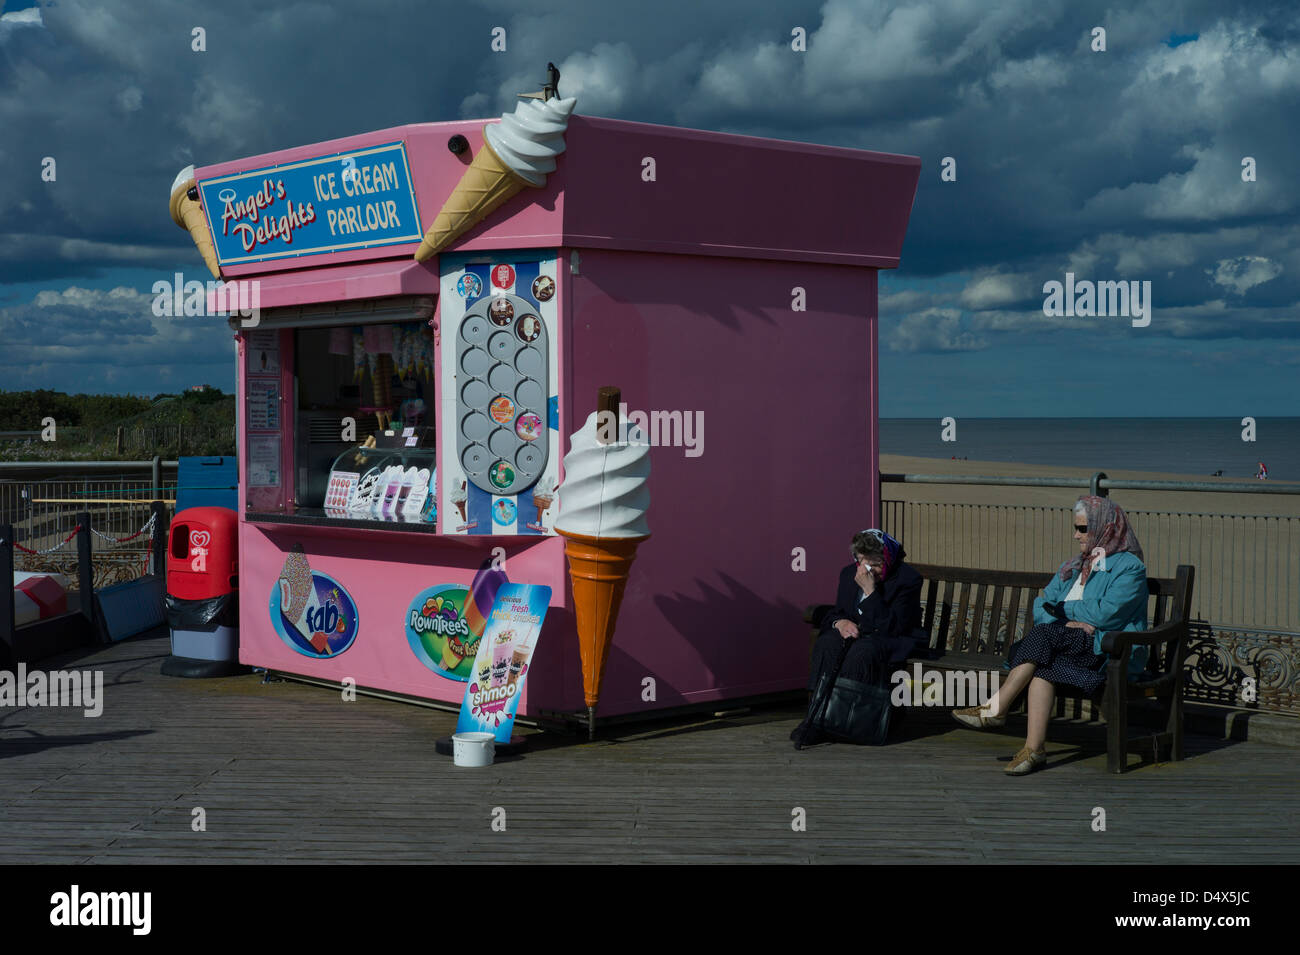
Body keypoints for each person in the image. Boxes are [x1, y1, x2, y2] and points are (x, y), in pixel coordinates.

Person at [952, 496, 1149, 775]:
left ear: (1105, 527)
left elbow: (1107, 614)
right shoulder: (1074, 565)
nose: (1075, 535)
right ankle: (1034, 750)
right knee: (1043, 665)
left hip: (1105, 649)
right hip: (1066, 643)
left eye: (1083, 529)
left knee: (1044, 637)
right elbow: (1040, 605)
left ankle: (996, 708)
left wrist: (1062, 611)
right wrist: (1069, 622)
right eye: (1076, 527)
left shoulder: (1129, 567)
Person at [793, 529, 925, 744]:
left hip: (889, 637)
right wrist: (840, 623)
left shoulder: (907, 580)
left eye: (875, 564)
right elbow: (838, 612)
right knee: (827, 642)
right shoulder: (848, 573)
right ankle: (815, 718)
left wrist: (871, 592)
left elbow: (894, 627)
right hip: (858, 633)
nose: (868, 570)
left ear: (888, 559)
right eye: (863, 562)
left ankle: (846, 722)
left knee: (861, 652)